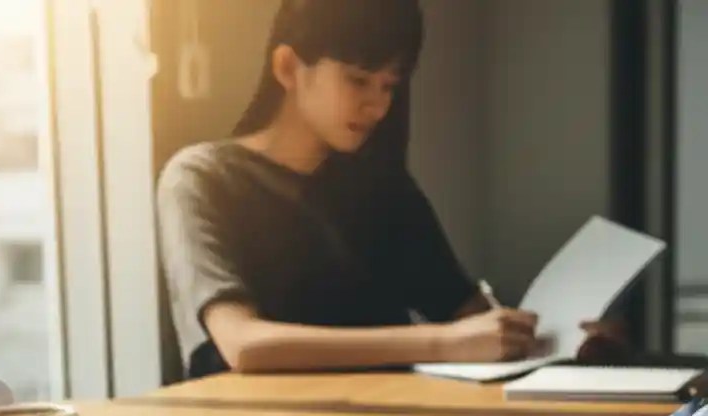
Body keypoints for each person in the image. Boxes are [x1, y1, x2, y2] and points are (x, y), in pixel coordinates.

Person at [156, 0, 619, 378]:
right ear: (288, 67)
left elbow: (471, 320)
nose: (377, 105)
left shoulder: (382, 187)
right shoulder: (203, 178)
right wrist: (441, 343)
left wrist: (561, 340)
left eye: (389, 86)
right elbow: (244, 345)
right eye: (358, 80)